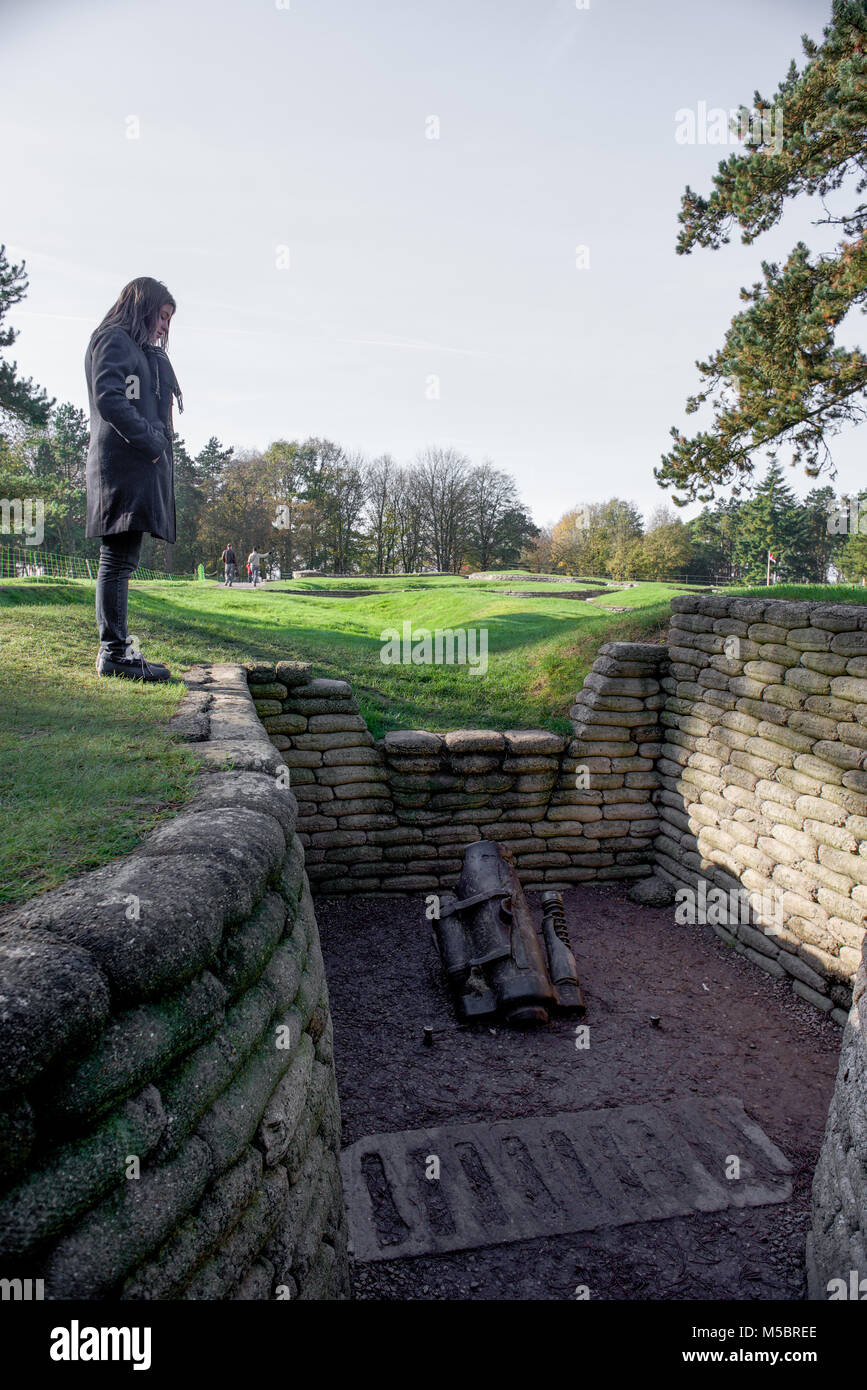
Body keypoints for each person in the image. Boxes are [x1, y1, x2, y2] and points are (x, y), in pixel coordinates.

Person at [85, 276, 183, 681]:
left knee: (124, 559)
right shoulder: (113, 338)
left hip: (133, 465)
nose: (164, 327)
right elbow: (109, 397)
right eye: (162, 316)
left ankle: (118, 650)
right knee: (117, 559)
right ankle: (114, 654)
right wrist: (151, 442)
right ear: (144, 306)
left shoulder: (135, 347)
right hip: (121, 465)